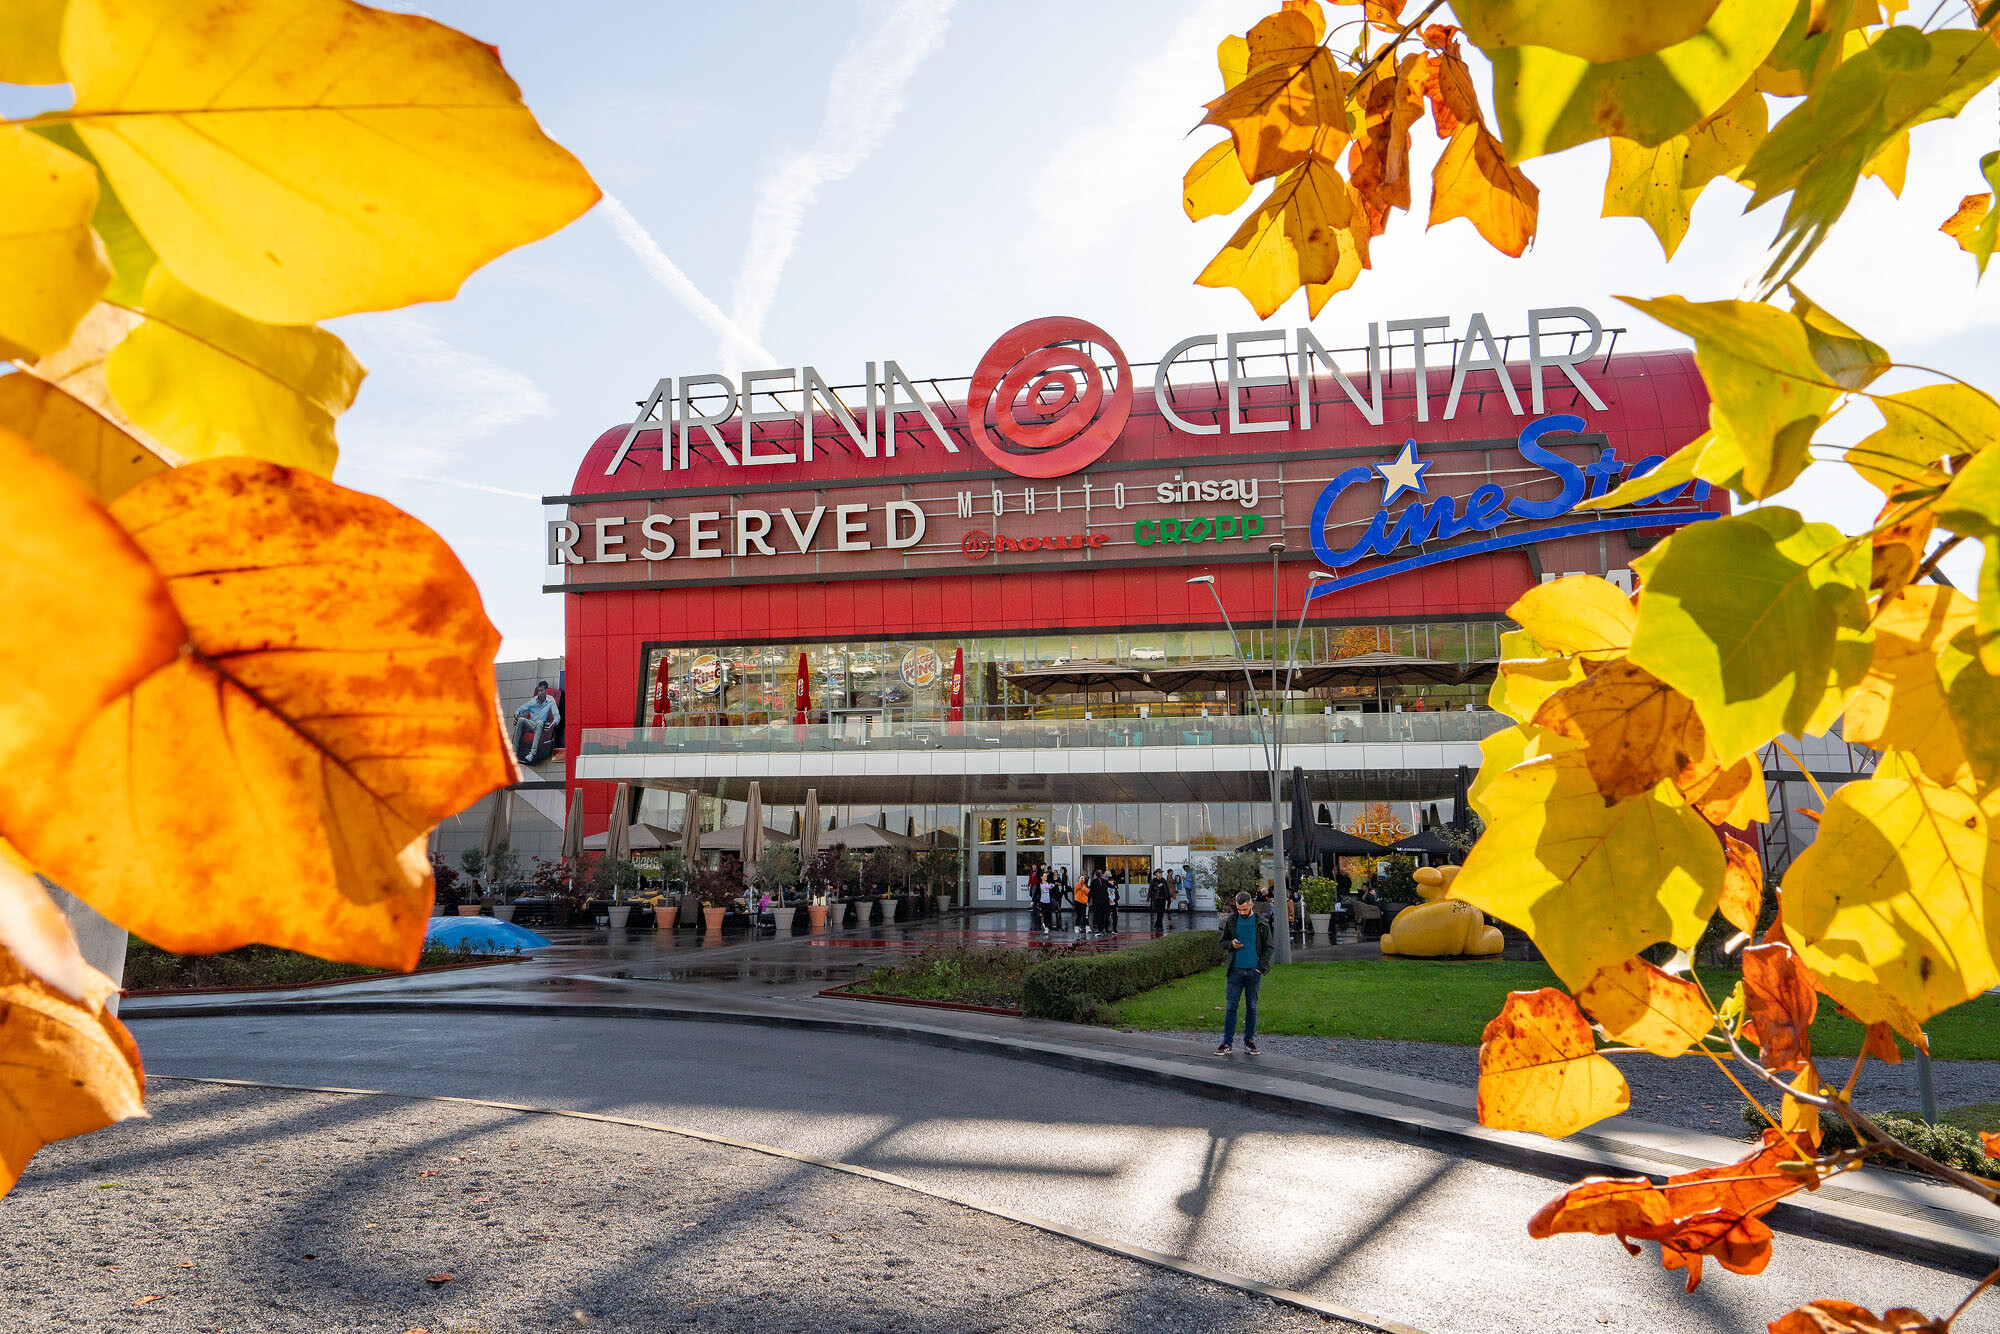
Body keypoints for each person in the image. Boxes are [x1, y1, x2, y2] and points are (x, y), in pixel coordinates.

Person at [1216, 890, 1272, 1055]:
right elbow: (1223, 942)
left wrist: (1260, 969)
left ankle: (1249, 1042)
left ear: (1251, 905)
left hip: (1253, 971)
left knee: (1252, 1006)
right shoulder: (1232, 921)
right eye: (1239, 909)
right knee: (1232, 1006)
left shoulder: (1261, 923)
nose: (1242, 912)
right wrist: (1231, 944)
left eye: (1245, 909)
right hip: (1235, 971)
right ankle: (1227, 1042)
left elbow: (1269, 948)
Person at [513, 681, 562, 763]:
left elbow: (557, 716)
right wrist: (516, 715)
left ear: (546, 690)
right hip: (530, 724)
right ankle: (514, 751)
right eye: (538, 691)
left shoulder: (551, 701)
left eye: (542, 690)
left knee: (540, 723)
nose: (540, 693)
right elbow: (520, 709)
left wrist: (552, 725)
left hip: (539, 726)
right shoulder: (532, 701)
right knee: (521, 720)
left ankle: (532, 754)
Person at [1088, 870, 1113, 936]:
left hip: (1097, 901)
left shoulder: (1094, 882)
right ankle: (1106, 929)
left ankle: (1101, 929)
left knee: (1099, 916)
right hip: (1105, 900)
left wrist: (1088, 901)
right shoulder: (1104, 881)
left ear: (1095, 875)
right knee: (1106, 915)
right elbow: (1111, 886)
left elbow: (1091, 892)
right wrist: (1115, 886)